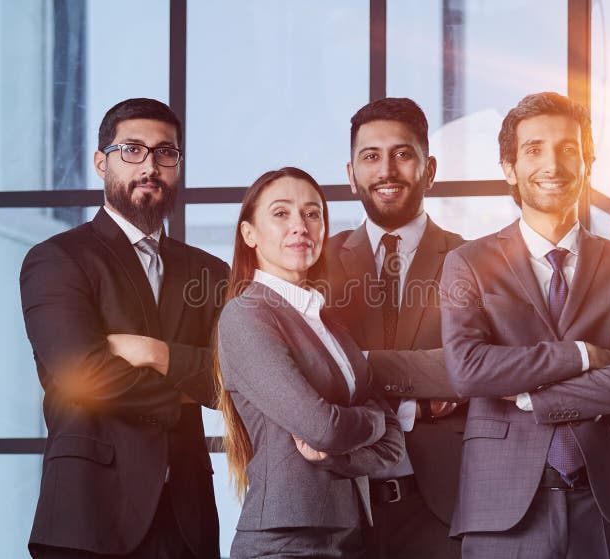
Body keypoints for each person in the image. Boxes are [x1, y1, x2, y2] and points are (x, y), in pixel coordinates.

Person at [441, 91, 610, 557]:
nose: (553, 164)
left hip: (607, 498)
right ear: (509, 168)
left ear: (587, 164)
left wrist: (529, 396)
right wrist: (581, 356)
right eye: (534, 149)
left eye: (568, 149)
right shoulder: (468, 263)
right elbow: (469, 370)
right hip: (502, 501)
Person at [20, 98, 227, 559]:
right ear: (101, 162)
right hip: (89, 517)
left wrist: (156, 355)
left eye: (165, 153)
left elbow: (230, 381)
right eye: (132, 150)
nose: (150, 166)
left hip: (186, 520)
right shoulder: (59, 260)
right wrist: (186, 385)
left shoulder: (211, 271)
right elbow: (81, 376)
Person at [216, 167, 405, 559]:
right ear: (249, 233)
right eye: (281, 213)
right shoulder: (246, 315)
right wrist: (372, 420)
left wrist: (347, 445)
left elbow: (393, 443)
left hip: (351, 535)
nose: (300, 226)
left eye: (312, 213)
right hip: (286, 539)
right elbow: (322, 427)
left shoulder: (328, 323)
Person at [325, 97, 464, 559]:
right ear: (350, 174)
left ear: (430, 169)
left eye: (403, 154)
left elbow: (472, 367)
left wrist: (361, 366)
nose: (386, 170)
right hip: (338, 506)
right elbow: (312, 375)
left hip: (443, 512)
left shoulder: (476, 261)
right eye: (371, 156)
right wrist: (415, 403)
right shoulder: (313, 264)